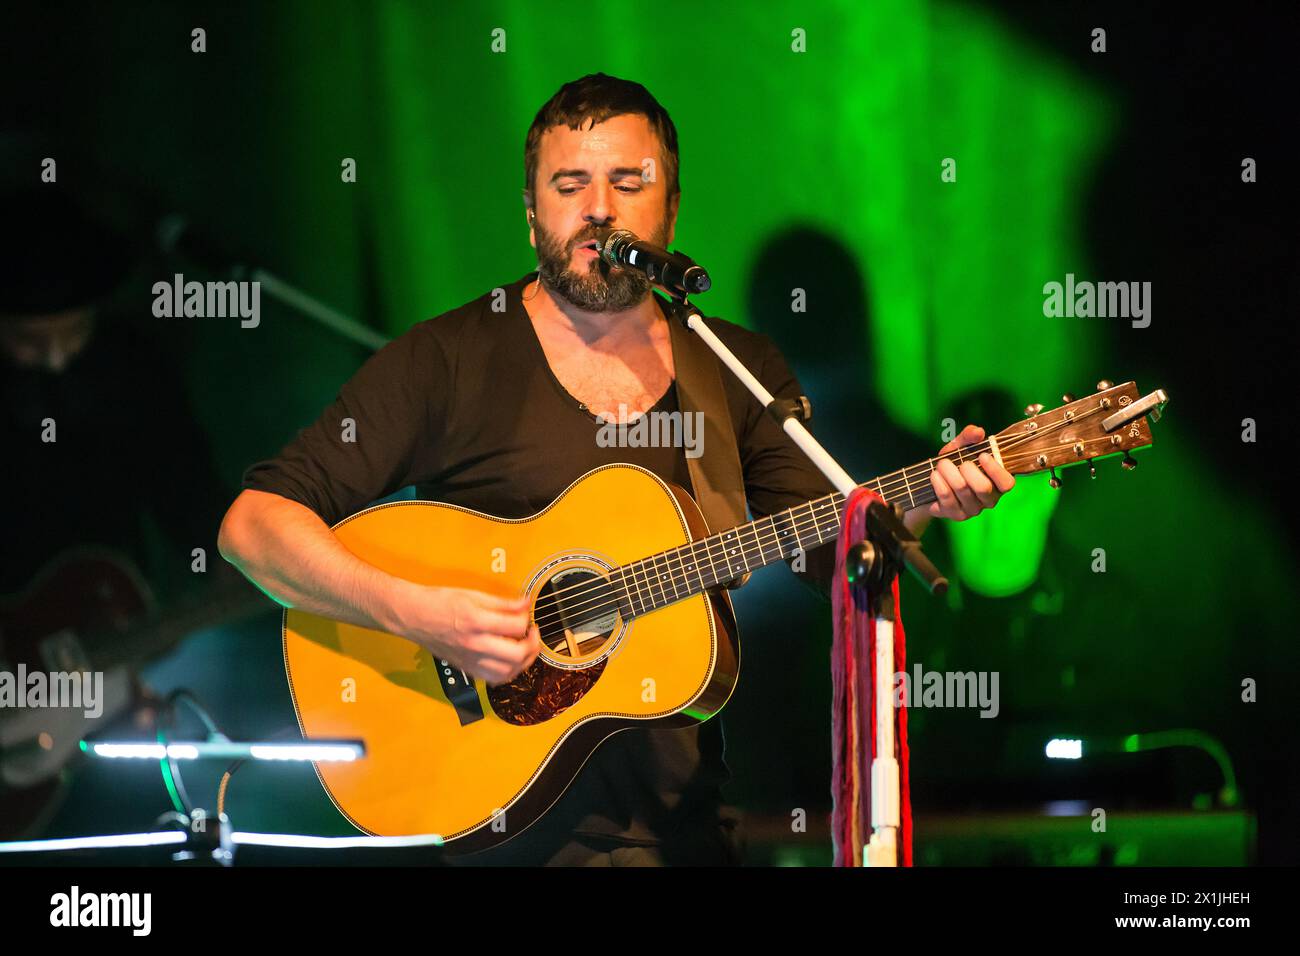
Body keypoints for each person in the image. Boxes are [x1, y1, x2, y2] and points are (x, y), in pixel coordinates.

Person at [217, 73, 1015, 866]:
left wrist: (926, 502)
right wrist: (415, 613)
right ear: (533, 218)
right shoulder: (446, 362)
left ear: (669, 209)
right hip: (505, 843)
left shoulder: (733, 369)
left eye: (628, 182)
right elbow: (252, 527)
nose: (599, 208)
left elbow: (836, 546)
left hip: (682, 837)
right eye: (571, 184)